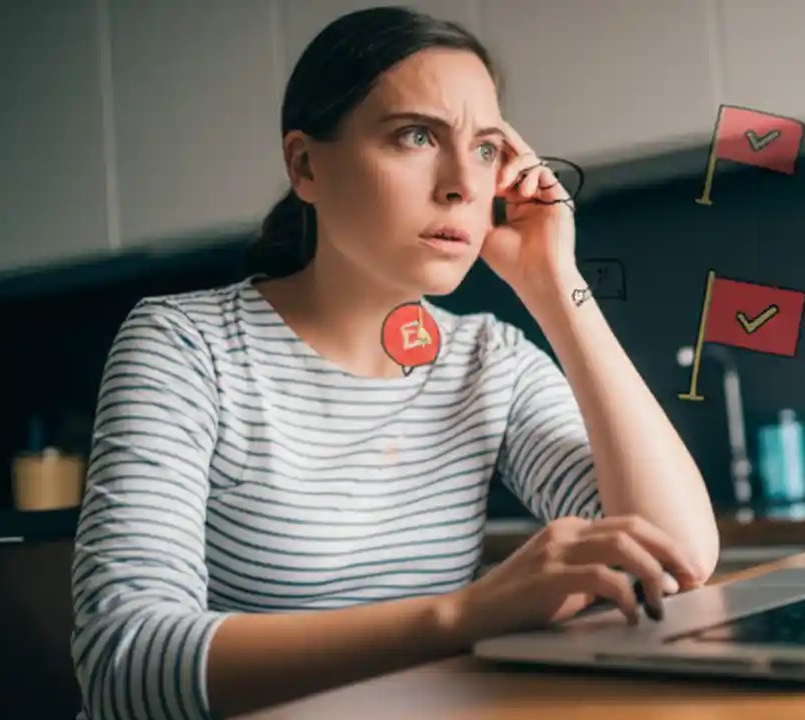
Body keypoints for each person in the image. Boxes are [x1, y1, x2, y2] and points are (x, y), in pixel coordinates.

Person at [69, 7, 719, 719]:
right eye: (416, 136)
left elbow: (678, 560)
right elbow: (123, 663)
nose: (461, 185)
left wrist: (552, 283)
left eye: (484, 150)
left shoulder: (484, 361)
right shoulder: (185, 345)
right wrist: (460, 618)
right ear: (306, 164)